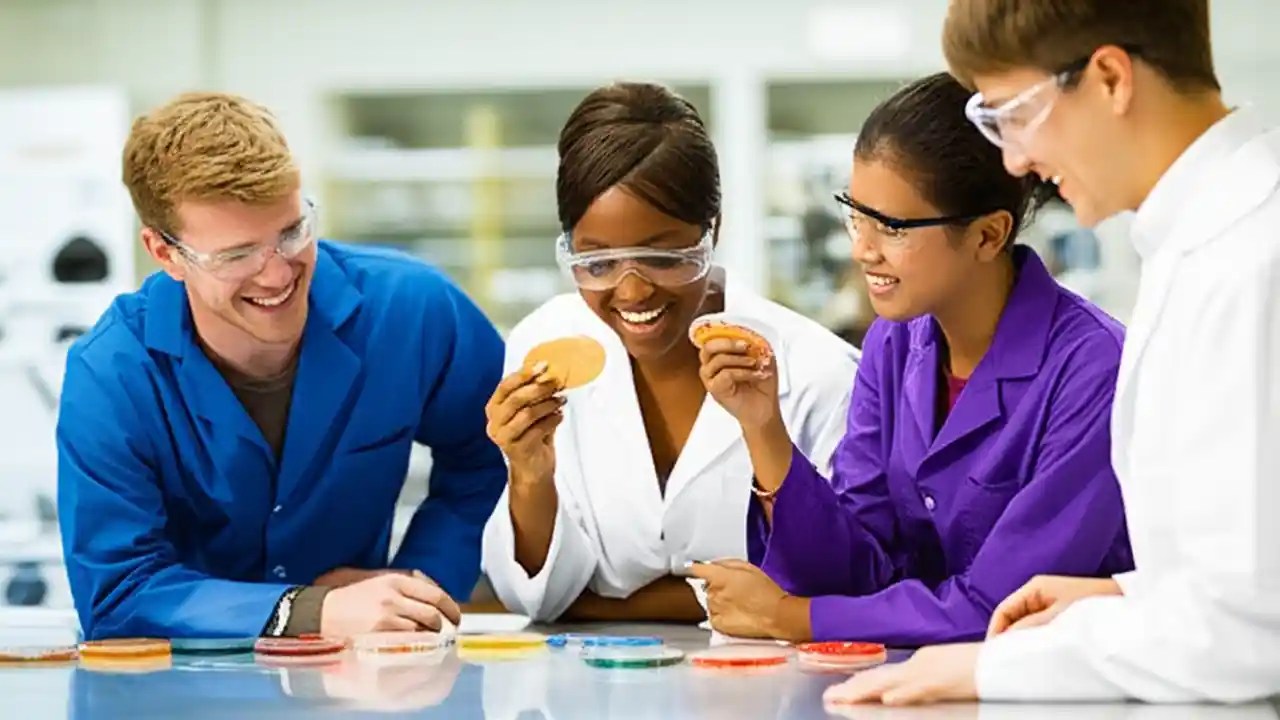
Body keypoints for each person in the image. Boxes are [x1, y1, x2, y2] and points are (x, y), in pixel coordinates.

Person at [826, 0, 1280, 706]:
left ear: (1108, 79)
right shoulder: (1196, 249)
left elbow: (1248, 631)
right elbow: (1246, 565)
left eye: (1014, 113)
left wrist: (986, 668)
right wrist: (1120, 595)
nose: (1015, 160)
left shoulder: (1252, 261)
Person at [688, 72, 1133, 646]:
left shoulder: (1094, 368)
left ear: (987, 236)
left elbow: (1003, 608)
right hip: (921, 686)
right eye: (857, 215)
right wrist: (764, 428)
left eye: (892, 227)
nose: (861, 249)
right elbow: (857, 570)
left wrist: (789, 619)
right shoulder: (893, 345)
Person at [57, 92, 508, 640]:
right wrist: (306, 610)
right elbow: (118, 591)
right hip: (186, 690)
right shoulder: (111, 373)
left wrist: (413, 587)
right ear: (165, 253)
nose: (276, 276)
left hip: (367, 678)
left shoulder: (412, 310)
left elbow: (493, 460)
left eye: (292, 233)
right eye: (235, 255)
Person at [480, 82, 858, 623]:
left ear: (713, 232)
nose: (632, 291)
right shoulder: (542, 345)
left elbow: (833, 586)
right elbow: (535, 595)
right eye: (598, 262)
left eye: (662, 256)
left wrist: (606, 605)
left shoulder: (819, 373)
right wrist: (530, 475)